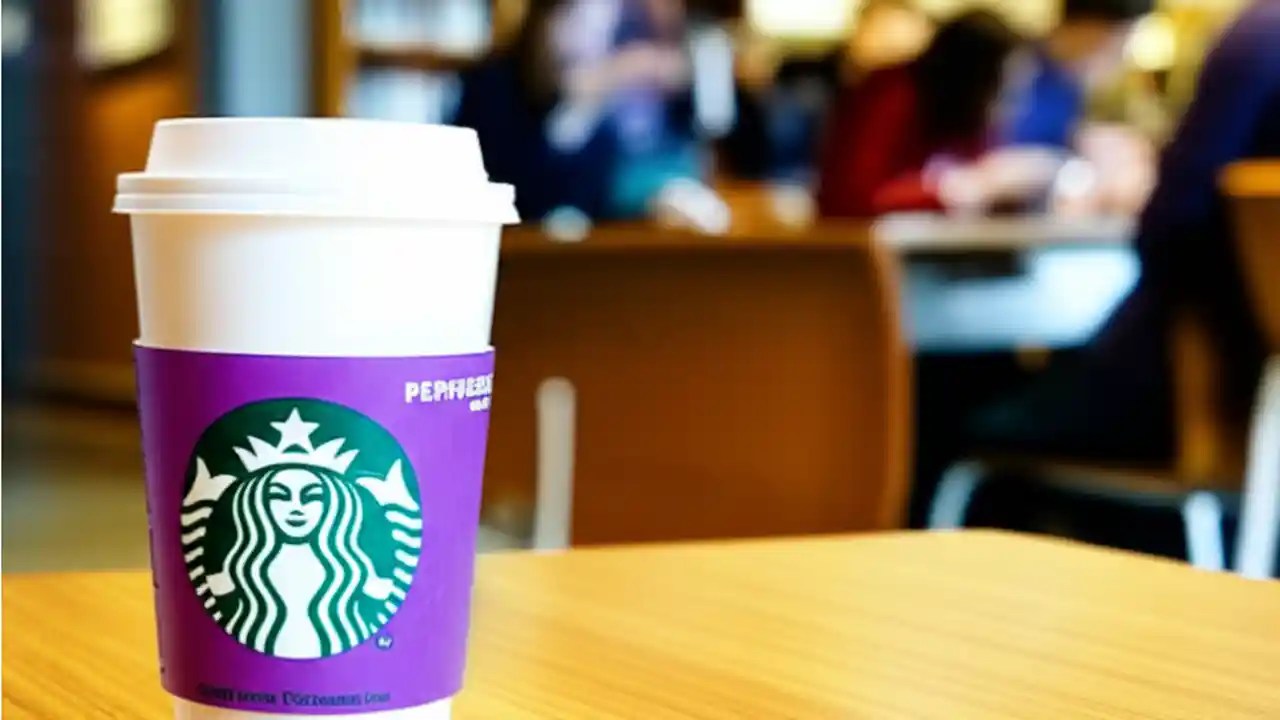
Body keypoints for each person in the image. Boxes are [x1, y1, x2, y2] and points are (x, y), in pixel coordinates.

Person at [968, 0, 1280, 462]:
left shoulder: (1262, 35)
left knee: (964, 405)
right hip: (1255, 408)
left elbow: (1172, 215)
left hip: (1220, 388)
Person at [816, 11, 1019, 217]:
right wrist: (951, 191)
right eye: (1003, 88)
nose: (1011, 104)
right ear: (976, 80)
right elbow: (854, 196)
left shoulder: (967, 121)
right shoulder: (893, 95)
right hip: (855, 241)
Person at [999, 0, 1152, 150]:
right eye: (1117, 39)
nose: (1119, 54)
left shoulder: (1074, 83)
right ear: (1089, 28)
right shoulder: (1014, 66)